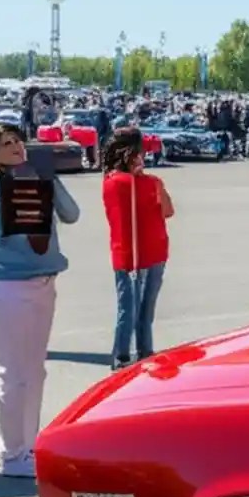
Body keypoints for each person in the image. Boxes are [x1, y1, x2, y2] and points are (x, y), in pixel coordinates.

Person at [0, 123, 80, 478]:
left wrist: (49, 178)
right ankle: (11, 453)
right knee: (10, 372)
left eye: (19, 141)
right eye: (6, 143)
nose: (16, 147)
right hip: (8, 286)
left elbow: (72, 214)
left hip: (43, 282)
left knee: (35, 370)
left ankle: (28, 443)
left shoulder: (38, 181)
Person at [101, 128, 173, 371]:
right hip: (148, 253)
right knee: (142, 312)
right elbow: (168, 210)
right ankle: (138, 353)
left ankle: (124, 356)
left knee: (130, 310)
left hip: (130, 255)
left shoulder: (111, 181)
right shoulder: (145, 183)